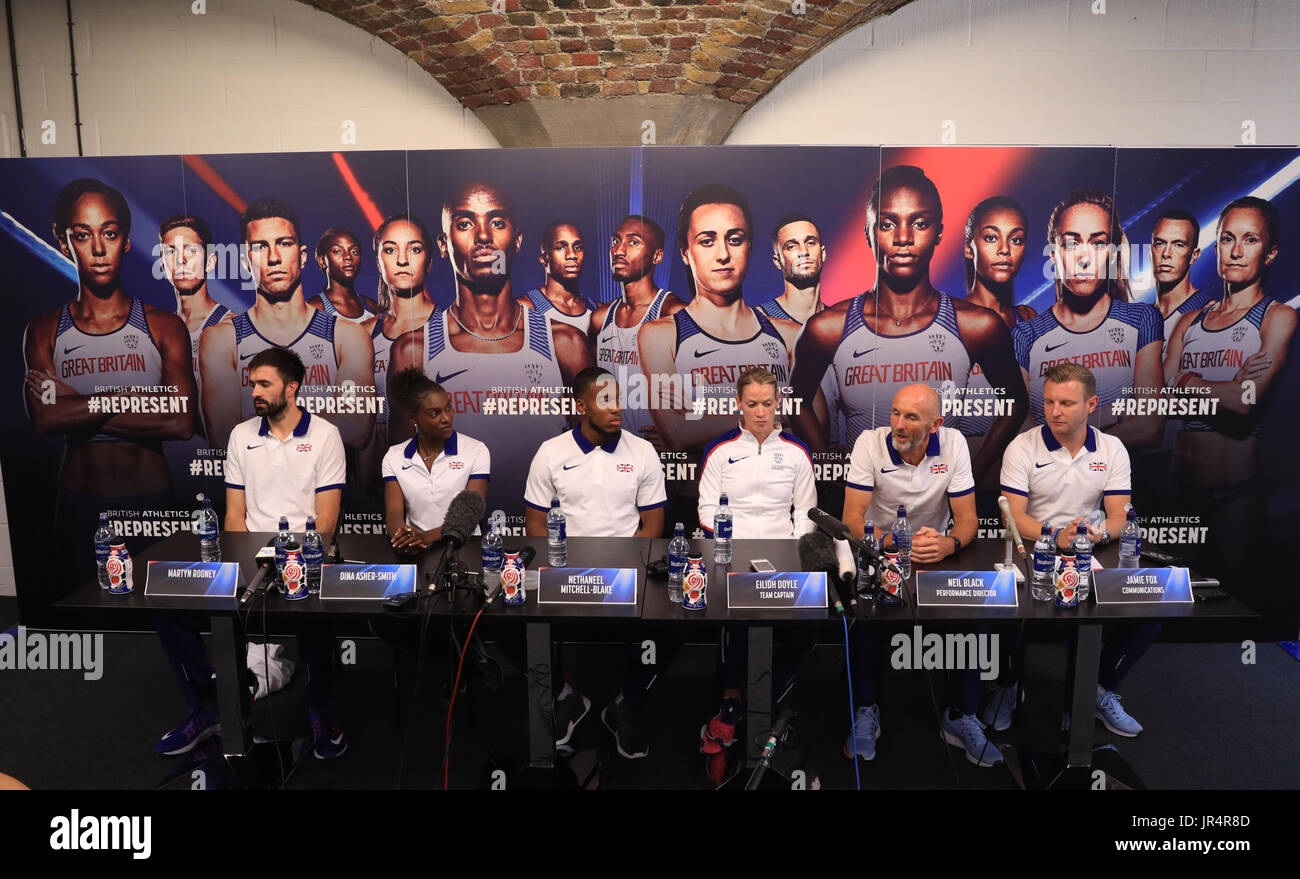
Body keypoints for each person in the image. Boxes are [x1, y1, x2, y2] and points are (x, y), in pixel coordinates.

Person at [152, 347, 350, 759]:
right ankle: (208, 708)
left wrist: (293, 561)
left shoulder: (325, 435)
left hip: (307, 561)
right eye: (252, 383)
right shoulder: (242, 435)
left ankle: (320, 710)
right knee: (168, 609)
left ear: (292, 387)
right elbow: (235, 515)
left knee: (316, 622)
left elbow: (327, 519)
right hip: (252, 561)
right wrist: (247, 566)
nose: (255, 391)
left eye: (264, 383)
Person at [789, 166, 1027, 490]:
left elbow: (1015, 403)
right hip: (862, 519)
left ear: (939, 233)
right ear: (868, 233)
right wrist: (828, 466)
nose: (903, 238)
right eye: (887, 224)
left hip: (939, 523)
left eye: (919, 223)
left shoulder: (976, 326)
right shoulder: (828, 328)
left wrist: (969, 475)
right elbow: (795, 401)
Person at [23, 178, 196, 588]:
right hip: (81, 506)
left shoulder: (163, 326)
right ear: (65, 244)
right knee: (93, 624)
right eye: (83, 235)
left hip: (151, 505)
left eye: (110, 233)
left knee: (165, 625)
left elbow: (181, 422)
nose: (99, 249)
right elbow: (45, 419)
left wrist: (81, 404)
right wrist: (128, 399)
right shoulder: (46, 330)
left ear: (126, 242)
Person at [387, 181, 592, 521]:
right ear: (443, 243)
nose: (483, 236)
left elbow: (588, 461)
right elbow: (402, 470)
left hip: (540, 538)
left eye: (497, 222)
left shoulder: (564, 343)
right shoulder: (414, 349)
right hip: (450, 539)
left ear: (517, 240)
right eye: (465, 223)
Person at [838, 383, 995, 765]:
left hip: (935, 552)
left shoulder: (954, 444)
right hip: (879, 549)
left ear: (936, 423)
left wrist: (950, 544)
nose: (899, 425)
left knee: (970, 619)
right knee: (868, 617)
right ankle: (866, 711)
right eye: (895, 413)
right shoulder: (869, 443)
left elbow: (969, 519)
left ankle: (961, 715)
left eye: (911, 417)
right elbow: (852, 519)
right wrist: (891, 540)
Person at [998, 363, 1156, 736]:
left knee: (1154, 609)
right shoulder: (1022, 446)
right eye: (1050, 401)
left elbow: (1120, 515)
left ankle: (1098, 690)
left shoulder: (1112, 448)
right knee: (1003, 611)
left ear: (1092, 404)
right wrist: (1056, 535)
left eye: (1067, 403)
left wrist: (1095, 533)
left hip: (1088, 549)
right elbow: (1013, 515)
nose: (1055, 411)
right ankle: (1005, 688)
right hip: (1035, 551)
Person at [522, 367, 667, 758]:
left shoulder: (642, 451)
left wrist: (621, 571)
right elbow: (536, 526)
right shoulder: (551, 453)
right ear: (581, 405)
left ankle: (626, 702)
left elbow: (653, 525)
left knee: (677, 624)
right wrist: (562, 574)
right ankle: (565, 697)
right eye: (605, 400)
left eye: (618, 398)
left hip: (628, 573)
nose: (616, 407)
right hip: (564, 574)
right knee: (510, 622)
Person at [1163, 196, 1295, 612]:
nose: (1236, 251)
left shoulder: (1277, 318)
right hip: (1181, 493)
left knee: (1224, 612)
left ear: (1270, 253)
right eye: (1227, 238)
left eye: (1250, 240)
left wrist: (1186, 380)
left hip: (1234, 497)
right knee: (1169, 614)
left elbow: (1243, 402)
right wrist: (1219, 385)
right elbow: (1161, 393)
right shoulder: (1190, 320)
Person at [695, 367, 818, 780]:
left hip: (786, 560)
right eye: (752, 404)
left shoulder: (798, 452)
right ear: (738, 405)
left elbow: (805, 513)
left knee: (809, 629)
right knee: (738, 625)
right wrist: (735, 547)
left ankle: (745, 705)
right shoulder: (720, 450)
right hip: (733, 557)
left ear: (778, 403)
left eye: (768, 404)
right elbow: (706, 509)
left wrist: (792, 553)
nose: (761, 412)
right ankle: (734, 701)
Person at [199, 198, 375, 451]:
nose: (274, 257)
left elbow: (355, 428)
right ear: (245, 261)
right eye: (261, 247)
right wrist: (321, 423)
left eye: (284, 243)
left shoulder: (348, 337)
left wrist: (259, 424)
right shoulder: (220, 340)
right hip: (257, 490)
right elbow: (225, 436)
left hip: (325, 490)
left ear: (302, 256)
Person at [638, 184, 801, 453]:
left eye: (734, 239)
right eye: (707, 241)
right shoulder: (660, 336)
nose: (723, 254)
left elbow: (807, 429)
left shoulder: (790, 336)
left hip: (778, 490)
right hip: (703, 494)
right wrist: (774, 409)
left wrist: (704, 421)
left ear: (749, 247)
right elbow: (678, 433)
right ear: (685, 253)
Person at [1011, 186, 1164, 448]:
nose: (1084, 258)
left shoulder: (1142, 321)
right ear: (1053, 255)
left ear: (1113, 254)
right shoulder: (1026, 335)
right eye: (1071, 243)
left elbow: (1149, 429)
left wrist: (1059, 432)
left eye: (1098, 243)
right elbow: (1022, 437)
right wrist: (1112, 412)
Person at [1134, 208, 1216, 515]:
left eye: (1178, 245)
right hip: (1138, 467)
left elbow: (1201, 398)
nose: (1167, 254)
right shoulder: (1139, 318)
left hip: (1183, 472)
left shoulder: (1209, 313)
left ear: (1194, 255)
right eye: (1160, 243)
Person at [359, 212, 438, 499]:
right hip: (371, 478)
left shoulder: (450, 331)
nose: (402, 260)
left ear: (429, 258)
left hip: (434, 479)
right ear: (378, 259)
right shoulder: (361, 335)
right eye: (390, 249)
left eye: (414, 249)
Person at [590, 214, 685, 450]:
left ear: (657, 256)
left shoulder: (672, 312)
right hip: (611, 453)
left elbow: (704, 387)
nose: (619, 250)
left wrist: (681, 436)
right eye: (615, 241)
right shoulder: (601, 318)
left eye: (633, 242)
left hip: (656, 458)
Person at [755, 212, 847, 452]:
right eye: (791, 246)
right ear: (777, 260)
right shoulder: (759, 323)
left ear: (823, 252)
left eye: (810, 242)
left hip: (840, 467)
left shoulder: (842, 324)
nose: (803, 251)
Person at [381, 368, 490, 551]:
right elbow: (393, 513)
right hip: (417, 550)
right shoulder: (394, 456)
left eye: (448, 408)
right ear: (413, 418)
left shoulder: (476, 450)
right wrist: (402, 537)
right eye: (434, 414)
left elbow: (469, 515)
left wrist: (425, 537)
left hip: (465, 548)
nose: (446, 418)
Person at [958, 196, 1036, 448]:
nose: (1005, 249)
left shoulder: (1028, 320)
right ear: (969, 248)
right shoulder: (950, 320)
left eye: (1015, 239)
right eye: (991, 237)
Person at [158, 213, 230, 401]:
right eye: (171, 251)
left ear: (210, 261)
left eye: (191, 250)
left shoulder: (232, 327)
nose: (181, 260)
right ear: (162, 265)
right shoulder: (159, 332)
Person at [520, 219, 593, 333]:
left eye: (577, 247)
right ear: (544, 258)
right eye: (560, 247)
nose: (572, 255)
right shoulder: (525, 309)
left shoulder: (597, 311)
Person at [311, 227, 378, 323]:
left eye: (354, 252)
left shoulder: (372, 308)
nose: (348, 257)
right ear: (322, 260)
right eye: (337, 251)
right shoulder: (314, 309)